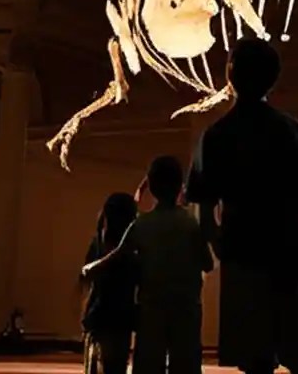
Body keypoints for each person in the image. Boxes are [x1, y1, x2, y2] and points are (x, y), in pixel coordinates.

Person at [185, 37, 298, 374]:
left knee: (255, 361)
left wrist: (219, 243)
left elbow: (203, 203)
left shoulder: (218, 136)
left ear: (231, 72)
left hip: (245, 258)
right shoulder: (291, 131)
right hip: (286, 254)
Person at [83, 156, 214, 374]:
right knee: (185, 364)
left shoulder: (142, 224)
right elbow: (207, 264)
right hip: (186, 309)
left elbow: (117, 254)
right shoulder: (191, 224)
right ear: (180, 186)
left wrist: (91, 267)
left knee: (149, 365)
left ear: (151, 188)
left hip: (151, 310)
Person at [81, 193, 140, 374]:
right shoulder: (131, 251)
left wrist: (85, 313)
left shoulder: (99, 243)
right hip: (121, 315)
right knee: (116, 364)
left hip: (100, 313)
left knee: (97, 364)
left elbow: (92, 285)